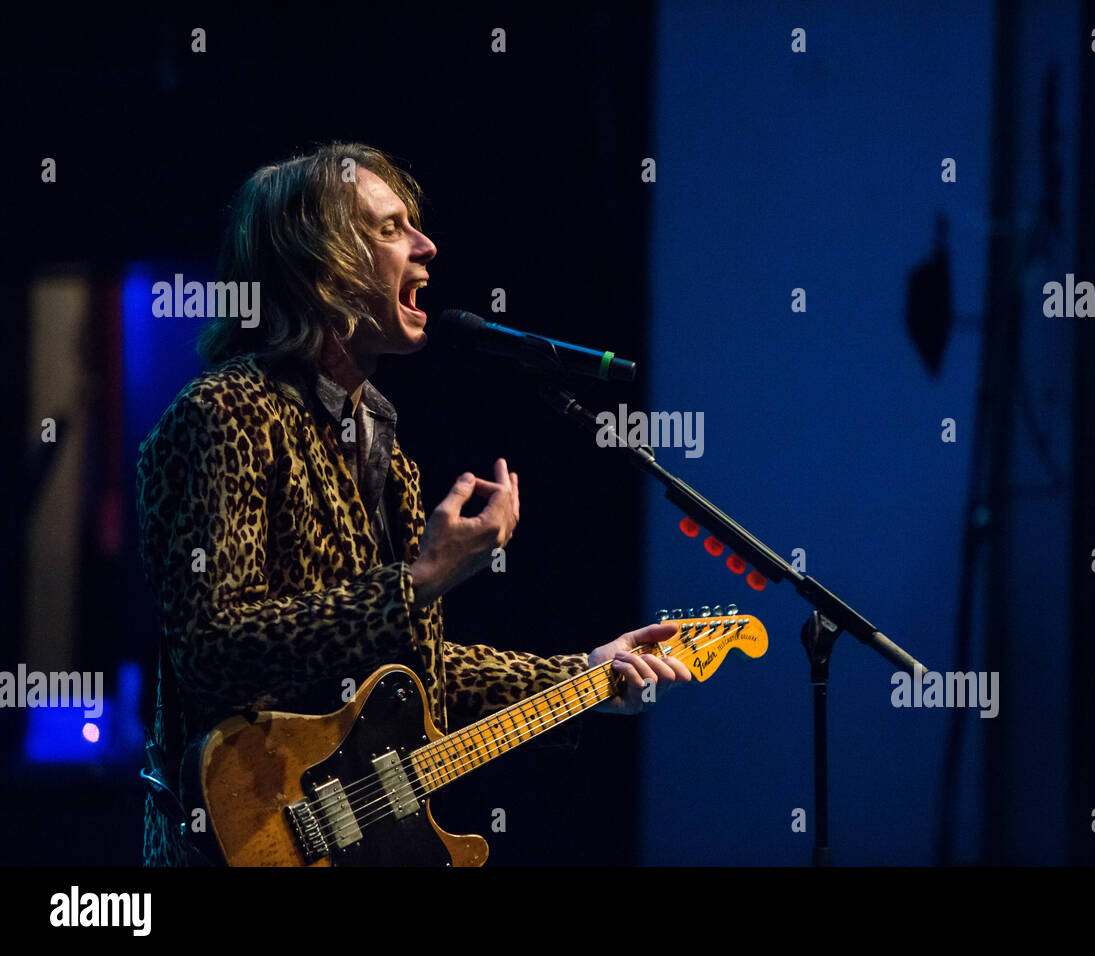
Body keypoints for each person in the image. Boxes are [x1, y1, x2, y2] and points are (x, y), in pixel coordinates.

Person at [135, 142, 690, 866]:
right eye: (391, 228)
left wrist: (583, 676)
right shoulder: (226, 412)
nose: (427, 247)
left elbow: (407, 677)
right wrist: (418, 582)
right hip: (234, 837)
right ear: (322, 265)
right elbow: (213, 647)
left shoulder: (381, 439)